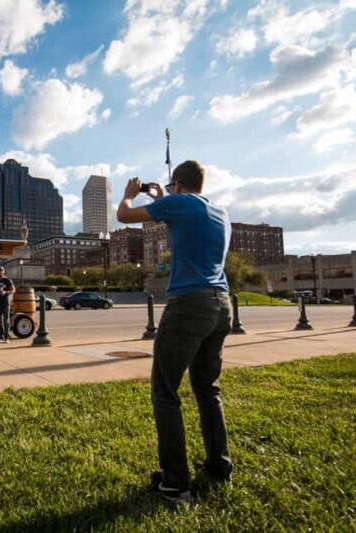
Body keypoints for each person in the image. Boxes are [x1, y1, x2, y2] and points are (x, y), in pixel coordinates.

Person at [117, 160, 233, 503]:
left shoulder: (179, 203)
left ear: (178, 184)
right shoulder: (219, 212)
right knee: (207, 389)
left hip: (188, 306)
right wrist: (162, 196)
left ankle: (175, 483)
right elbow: (180, 214)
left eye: (172, 187)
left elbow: (125, 216)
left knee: (165, 390)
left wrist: (128, 195)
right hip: (221, 304)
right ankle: (218, 466)